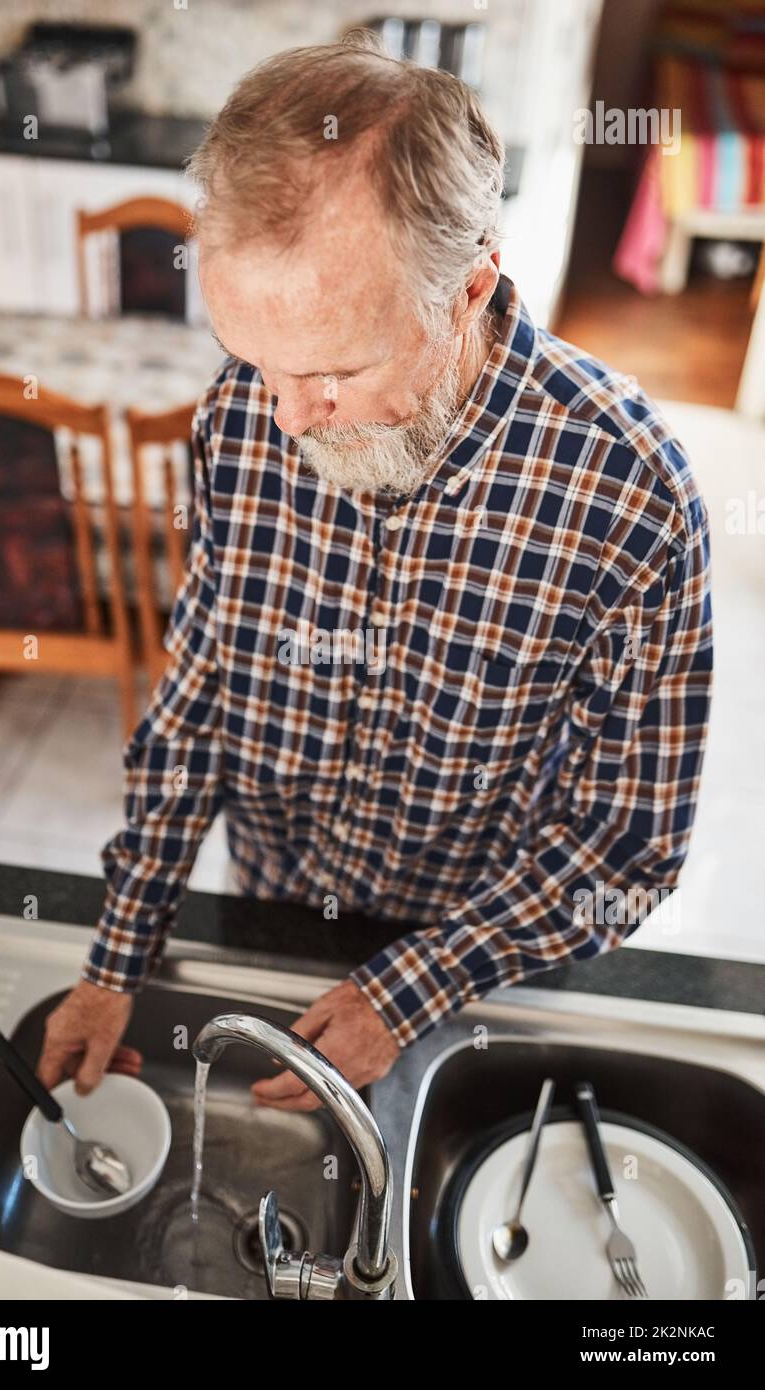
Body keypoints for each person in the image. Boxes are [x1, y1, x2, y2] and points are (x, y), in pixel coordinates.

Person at [37, 30, 713, 1112]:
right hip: (267, 910)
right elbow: (204, 690)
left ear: (469, 290)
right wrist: (118, 955)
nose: (288, 417)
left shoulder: (631, 496)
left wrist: (412, 987)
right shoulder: (248, 412)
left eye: (336, 372)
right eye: (259, 362)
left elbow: (624, 848)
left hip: (466, 957)